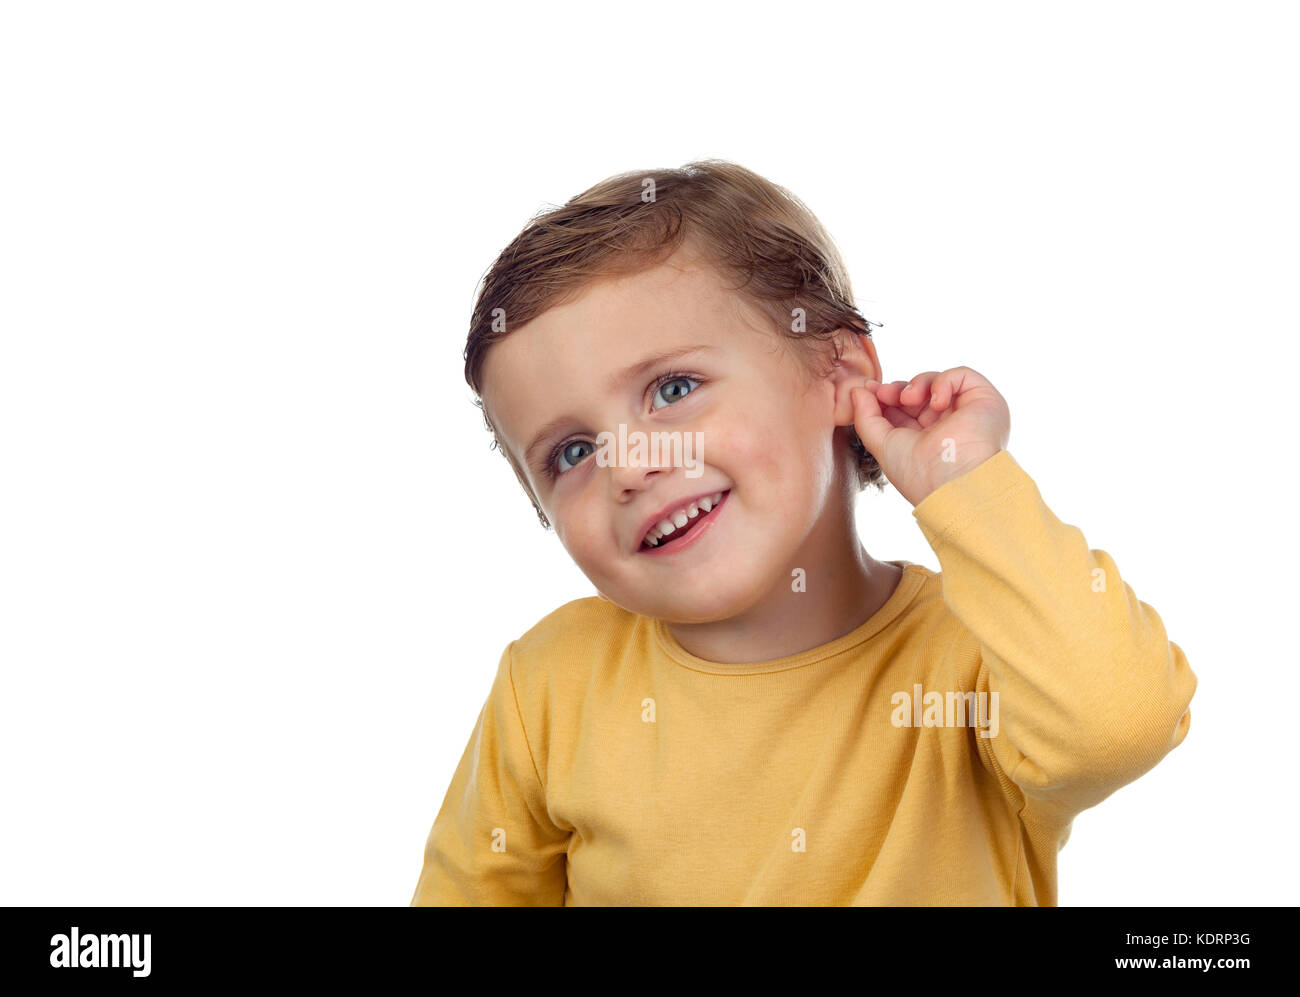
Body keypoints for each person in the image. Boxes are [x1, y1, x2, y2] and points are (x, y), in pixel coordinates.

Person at [409, 160, 1196, 906]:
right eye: (572, 452)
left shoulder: (980, 661)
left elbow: (1118, 724)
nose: (631, 466)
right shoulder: (549, 685)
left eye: (673, 388)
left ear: (840, 373)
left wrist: (964, 481)